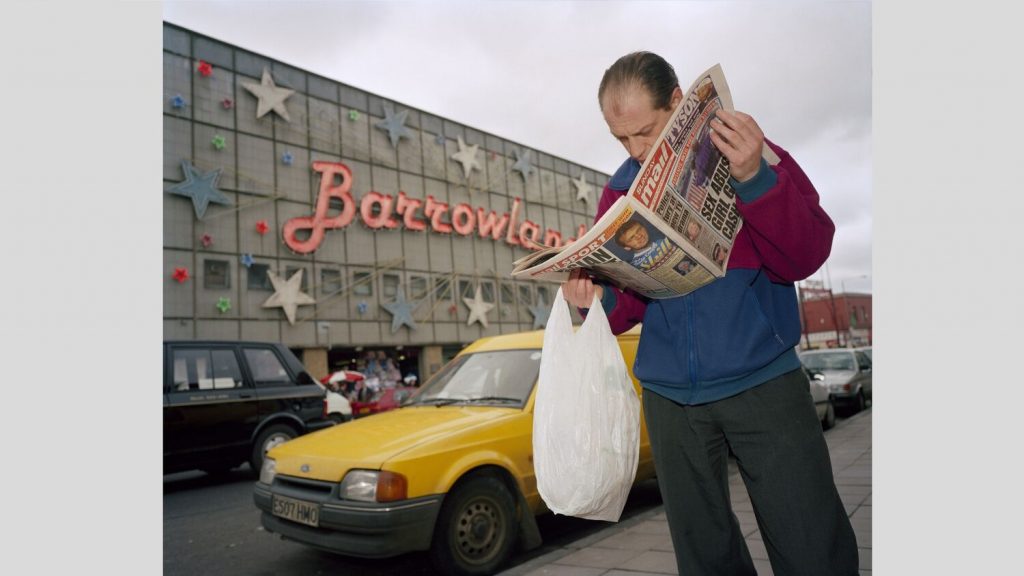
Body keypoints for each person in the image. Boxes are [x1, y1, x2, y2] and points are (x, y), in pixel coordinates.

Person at [562, 51, 857, 576]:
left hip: (764, 383)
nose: (634, 150)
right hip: (671, 401)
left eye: (646, 131)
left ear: (678, 103)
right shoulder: (620, 187)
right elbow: (628, 300)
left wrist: (755, 181)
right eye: (620, 139)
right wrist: (594, 301)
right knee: (705, 556)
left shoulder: (755, 154)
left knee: (811, 542)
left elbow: (807, 254)